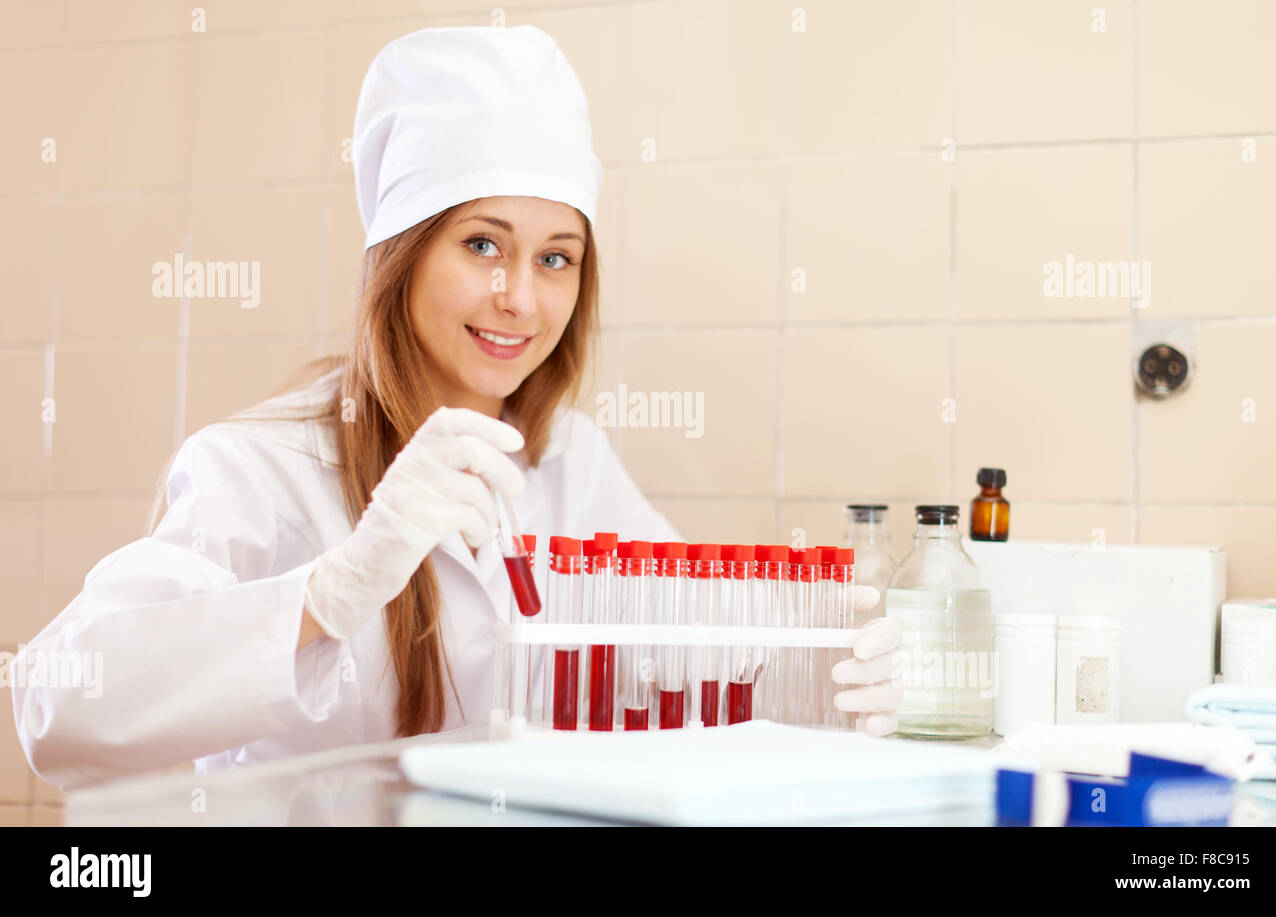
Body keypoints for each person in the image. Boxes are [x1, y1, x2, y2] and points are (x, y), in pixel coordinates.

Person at [11, 25, 902, 791]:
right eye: (483, 244)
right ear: (402, 258)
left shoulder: (572, 464)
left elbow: (671, 669)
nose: (519, 296)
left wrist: (817, 675)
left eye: (557, 258)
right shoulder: (261, 468)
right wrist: (332, 591)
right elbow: (55, 711)